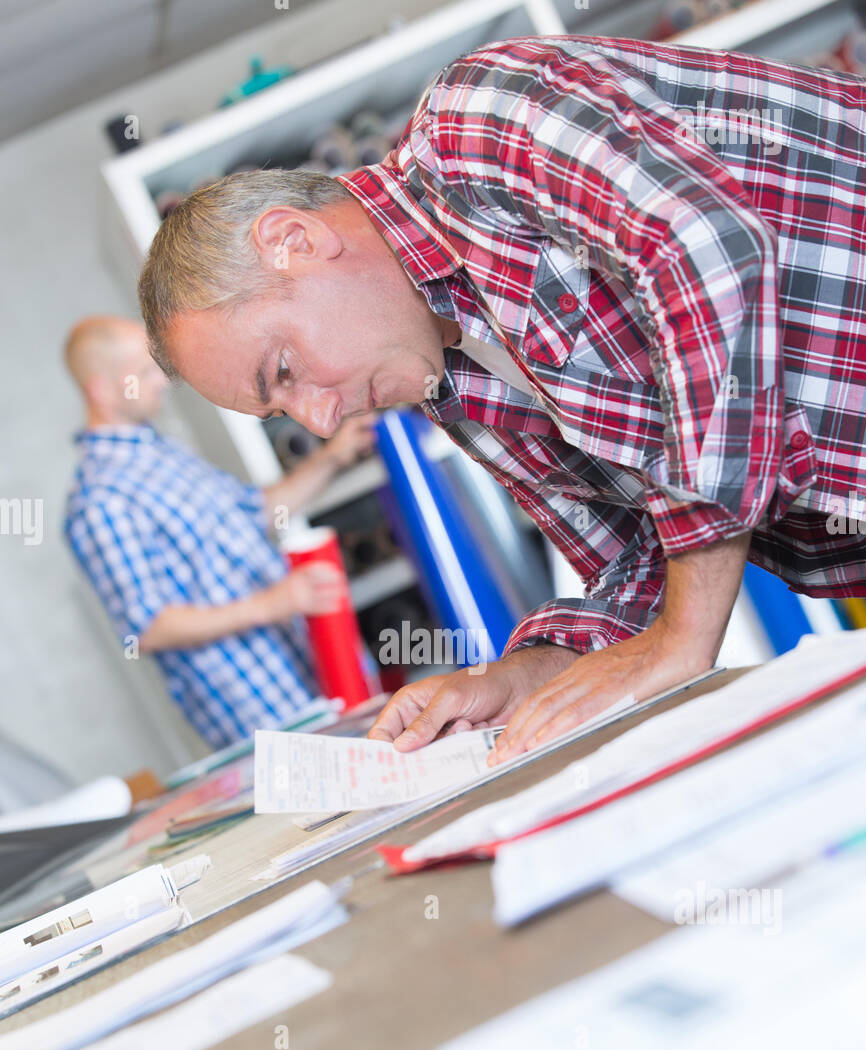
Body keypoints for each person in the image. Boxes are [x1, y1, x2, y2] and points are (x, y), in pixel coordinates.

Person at [135, 34, 866, 764]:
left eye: (285, 371)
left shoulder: (481, 119)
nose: (322, 420)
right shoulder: (447, 379)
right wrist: (520, 675)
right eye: (280, 414)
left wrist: (684, 636)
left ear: (294, 239)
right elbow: (640, 558)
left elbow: (709, 254)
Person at [64, 316, 376, 748]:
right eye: (144, 372)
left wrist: (335, 457)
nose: (162, 381)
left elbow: (256, 513)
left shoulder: (161, 452)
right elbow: (148, 627)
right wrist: (274, 603)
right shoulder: (101, 500)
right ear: (99, 389)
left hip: (312, 672)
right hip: (264, 712)